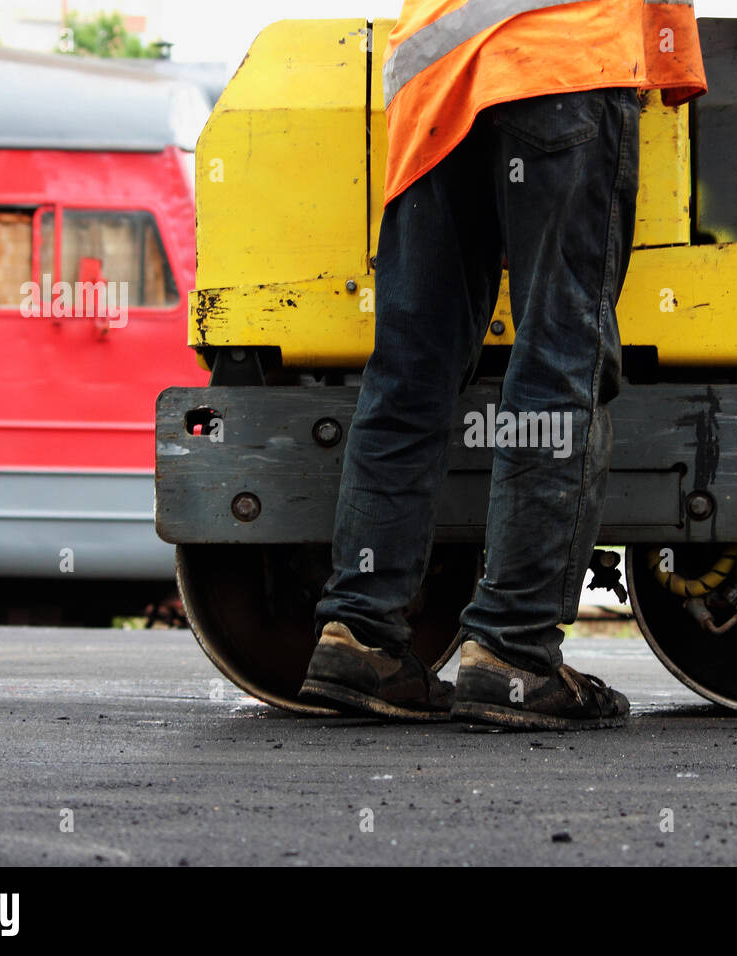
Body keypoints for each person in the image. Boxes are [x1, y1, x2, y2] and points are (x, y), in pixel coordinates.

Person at [300, 0, 706, 730]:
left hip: (432, 74)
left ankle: (359, 636)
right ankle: (512, 651)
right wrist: (675, 65)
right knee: (560, 358)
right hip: (564, 59)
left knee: (407, 371)